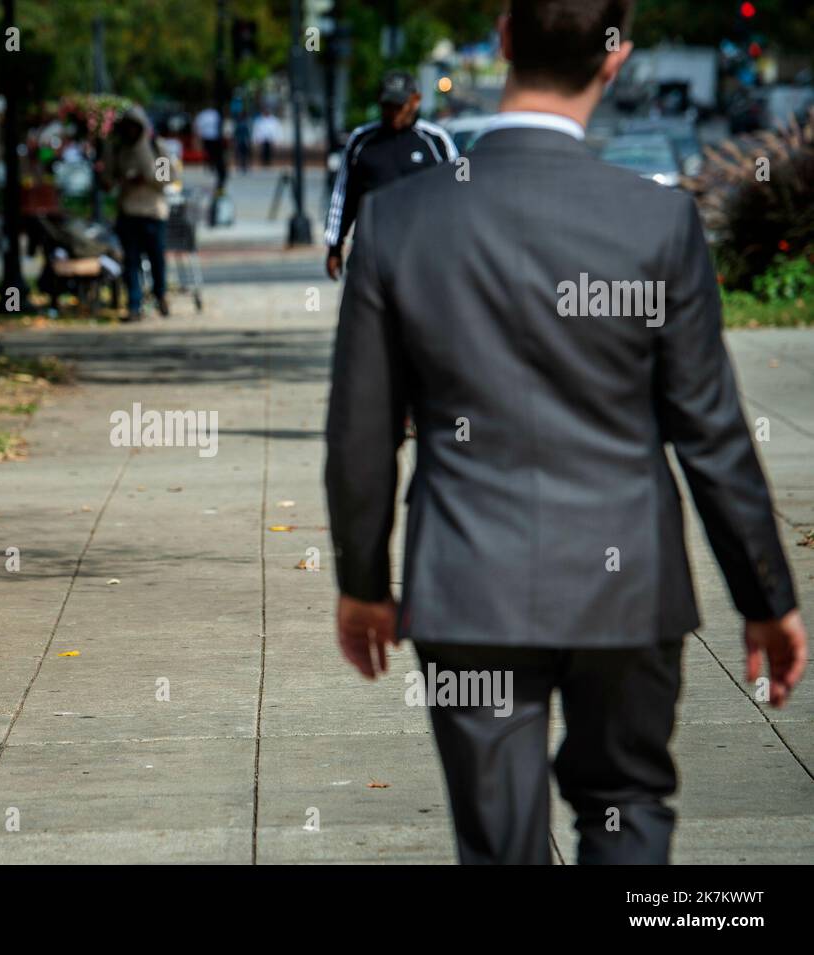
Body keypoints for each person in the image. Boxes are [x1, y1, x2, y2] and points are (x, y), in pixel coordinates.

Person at [325, 0, 806, 865]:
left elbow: (360, 429)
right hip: (627, 589)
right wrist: (765, 595)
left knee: (499, 842)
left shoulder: (400, 223)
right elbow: (710, 430)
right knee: (625, 806)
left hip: (467, 585)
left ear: (504, 37)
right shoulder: (658, 222)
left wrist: (363, 580)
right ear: (613, 61)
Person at [323, 71, 458, 280]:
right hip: (371, 251)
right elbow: (343, 196)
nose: (393, 112)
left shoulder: (436, 141)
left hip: (421, 252)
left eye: (399, 106)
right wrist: (334, 245)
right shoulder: (361, 141)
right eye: (387, 106)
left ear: (415, 101)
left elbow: (458, 193)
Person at [102, 106, 175, 320]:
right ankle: (134, 305)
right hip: (128, 212)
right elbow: (109, 179)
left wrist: (146, 177)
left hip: (153, 212)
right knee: (131, 261)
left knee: (157, 259)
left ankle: (160, 295)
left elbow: (165, 179)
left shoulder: (155, 147)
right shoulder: (118, 150)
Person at [194, 105, 228, 190]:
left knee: (214, 157)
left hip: (212, 138)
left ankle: (213, 168)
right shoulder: (213, 114)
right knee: (214, 157)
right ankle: (213, 168)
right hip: (211, 138)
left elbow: (198, 127)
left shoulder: (206, 114)